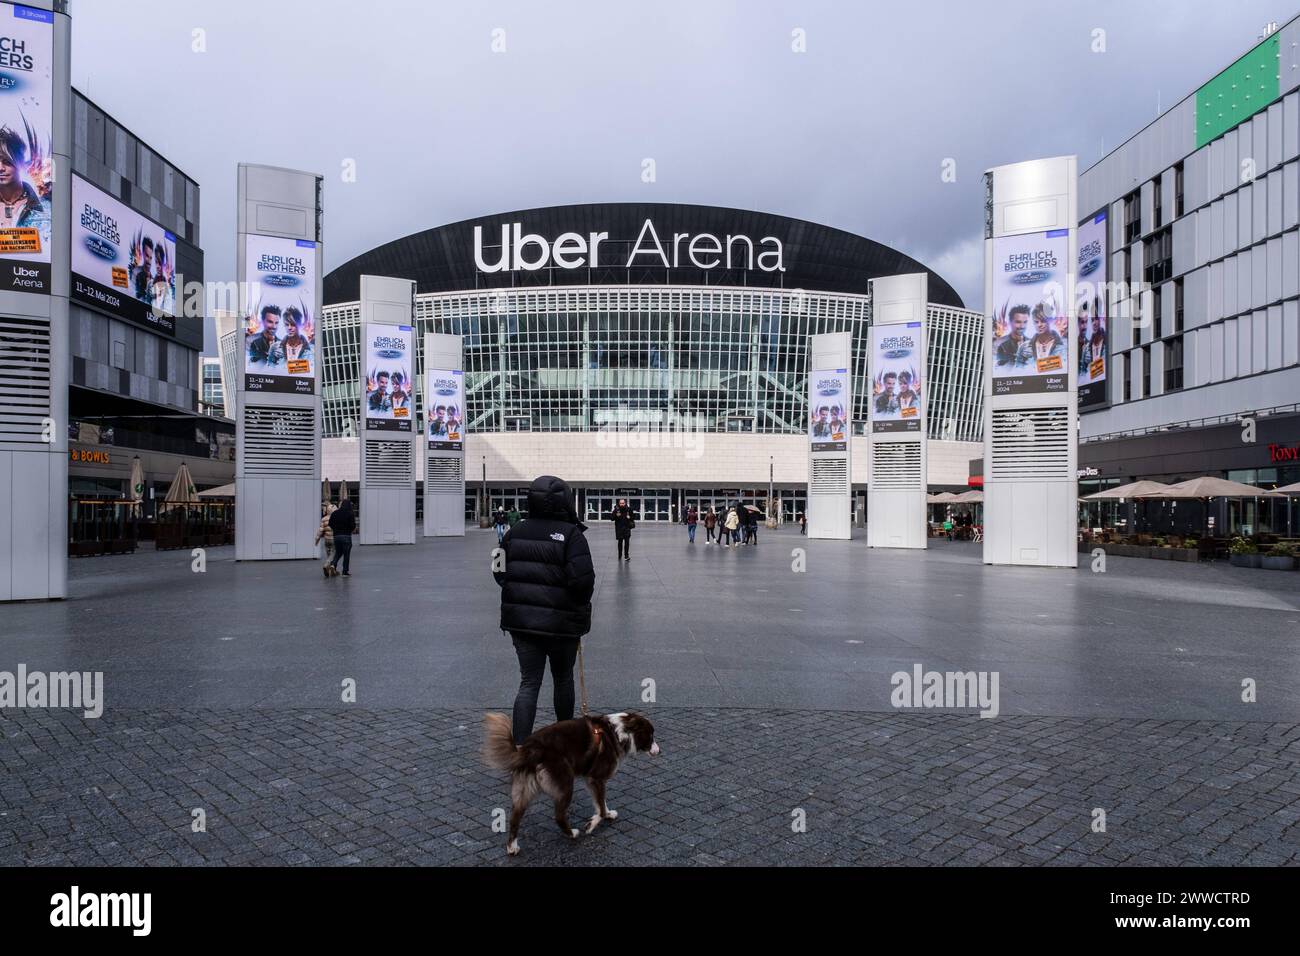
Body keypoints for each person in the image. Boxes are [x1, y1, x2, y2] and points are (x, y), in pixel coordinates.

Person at [494, 475, 596, 745]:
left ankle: (520, 748)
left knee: (529, 682)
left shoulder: (514, 532)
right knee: (563, 679)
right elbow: (583, 581)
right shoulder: (571, 535)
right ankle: (564, 742)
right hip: (562, 624)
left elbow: (497, 570)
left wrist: (518, 592)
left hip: (522, 623)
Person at [327, 499, 355, 576]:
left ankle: (333, 564)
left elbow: (330, 524)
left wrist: (336, 530)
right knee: (346, 554)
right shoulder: (350, 513)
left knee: (338, 552)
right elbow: (353, 526)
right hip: (346, 536)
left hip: (336, 536)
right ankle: (345, 571)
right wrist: (349, 530)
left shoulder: (335, 513)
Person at [315, 502, 336, 571]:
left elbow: (320, 530)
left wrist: (317, 539)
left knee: (328, 555)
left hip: (326, 540)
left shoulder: (324, 519)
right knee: (333, 554)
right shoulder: (336, 518)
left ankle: (330, 570)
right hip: (333, 539)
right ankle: (326, 565)